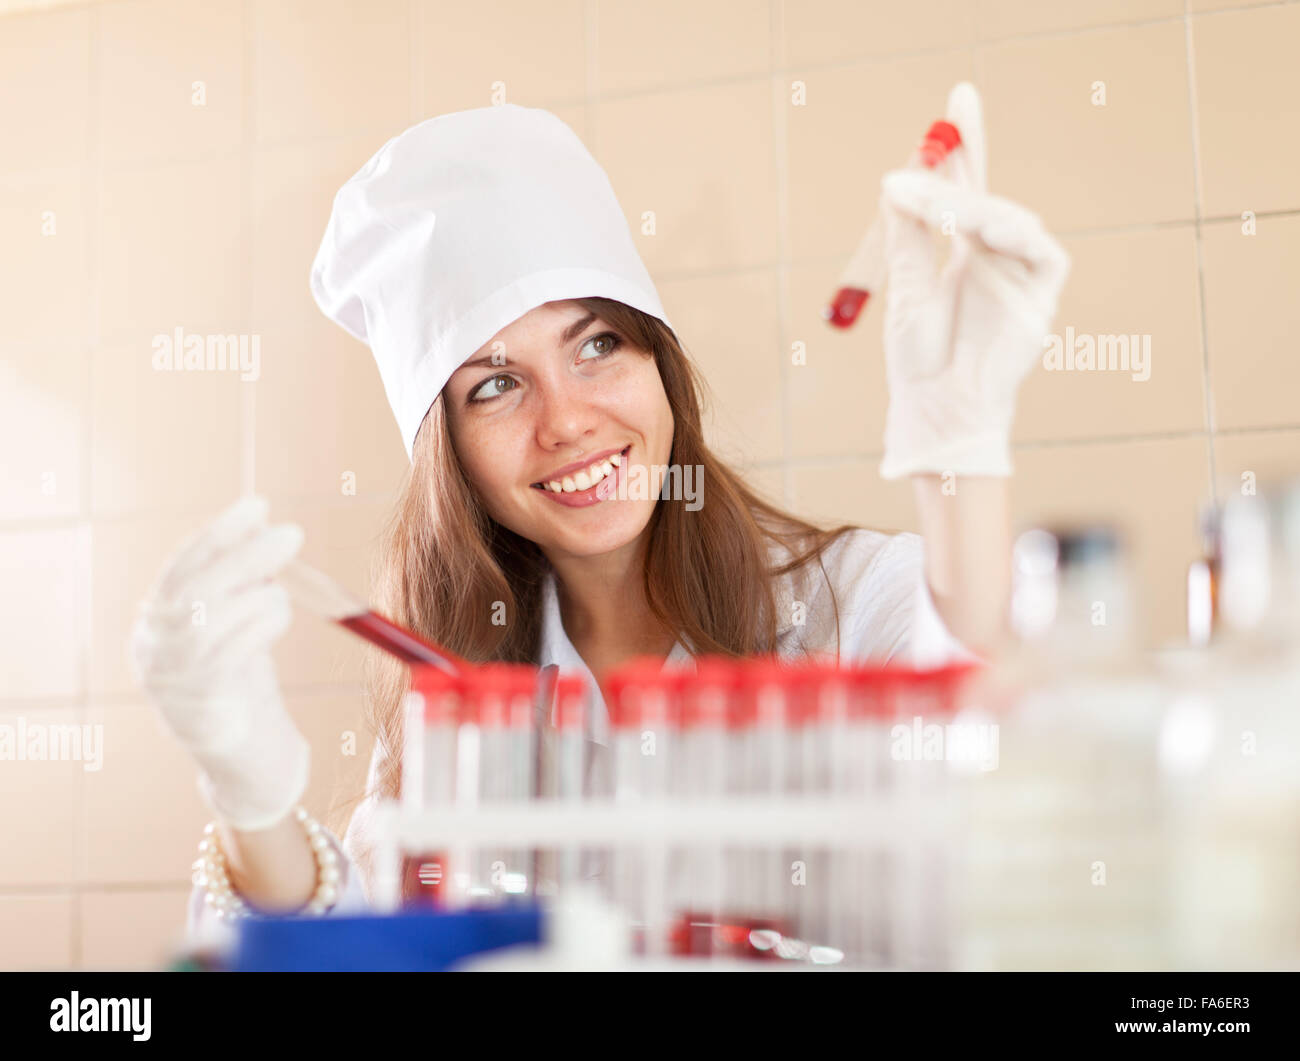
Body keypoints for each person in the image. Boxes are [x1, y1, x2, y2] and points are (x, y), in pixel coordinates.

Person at [129, 84, 1070, 947]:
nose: (569, 420)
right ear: (450, 455)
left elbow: (999, 763)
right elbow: (358, 956)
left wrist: (958, 451)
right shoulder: (457, 705)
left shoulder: (851, 604)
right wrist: (252, 801)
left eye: (597, 344)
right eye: (496, 384)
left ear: (659, 360)